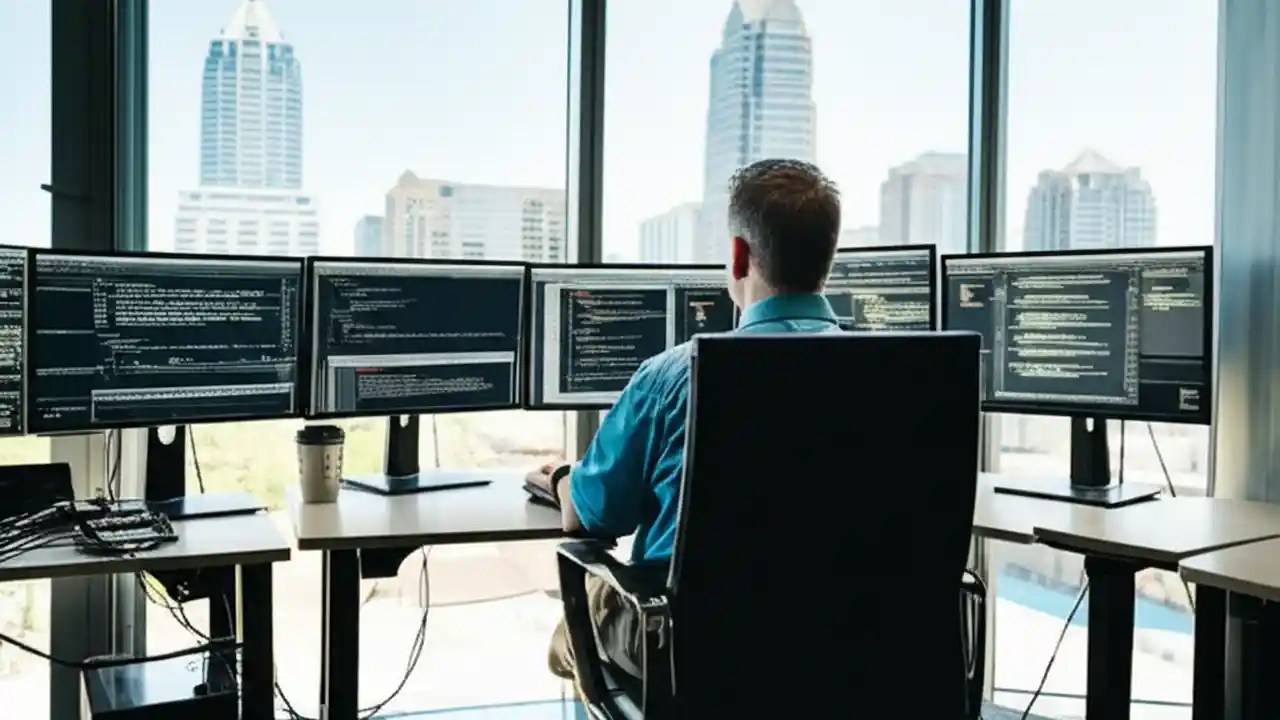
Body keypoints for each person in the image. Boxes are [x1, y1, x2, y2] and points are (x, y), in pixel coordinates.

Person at [528, 158, 844, 683]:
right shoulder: (894, 379)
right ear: (826, 260)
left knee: (571, 632)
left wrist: (562, 477)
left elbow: (591, 518)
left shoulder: (675, 375)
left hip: (690, 650)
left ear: (739, 256)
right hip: (842, 646)